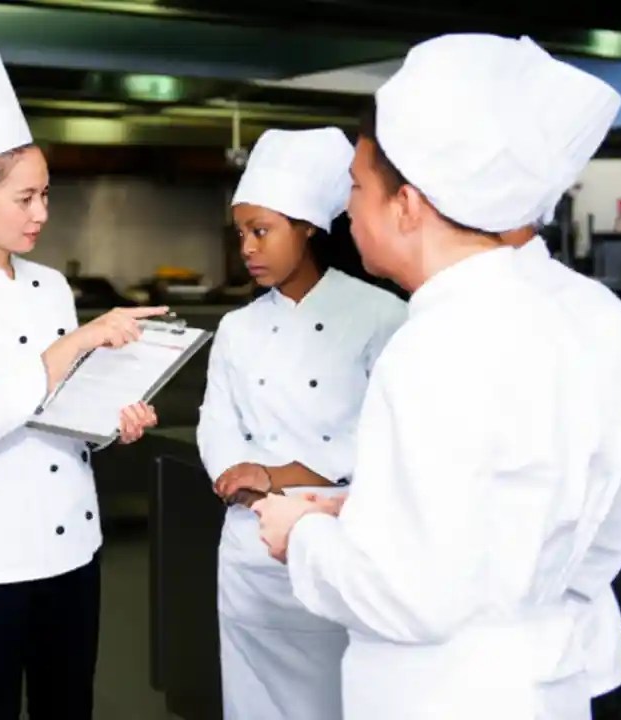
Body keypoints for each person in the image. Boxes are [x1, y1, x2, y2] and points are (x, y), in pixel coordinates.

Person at [252, 34, 608, 719]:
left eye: (356, 189)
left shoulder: (436, 345)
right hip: (546, 678)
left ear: (408, 205)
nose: (346, 210)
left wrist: (300, 535)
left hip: (442, 692)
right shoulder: (594, 315)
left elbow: (409, 595)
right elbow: (575, 528)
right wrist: (364, 512)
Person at [0, 47, 161, 720]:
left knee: (67, 706)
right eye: (25, 198)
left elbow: (63, 411)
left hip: (73, 543)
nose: (41, 212)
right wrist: (77, 340)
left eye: (46, 194)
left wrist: (111, 423)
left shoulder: (50, 285)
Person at [196, 127, 406, 720]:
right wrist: (235, 473)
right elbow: (217, 420)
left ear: (308, 227)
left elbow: (382, 435)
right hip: (247, 545)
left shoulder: (381, 314)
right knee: (250, 700)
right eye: (241, 233)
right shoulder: (237, 328)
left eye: (261, 231)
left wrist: (276, 473)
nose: (248, 248)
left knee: (333, 701)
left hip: (333, 538)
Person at [497, 49, 621, 706]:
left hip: (493, 660)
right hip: (555, 644)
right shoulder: (600, 312)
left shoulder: (471, 321)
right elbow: (614, 518)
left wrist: (307, 536)